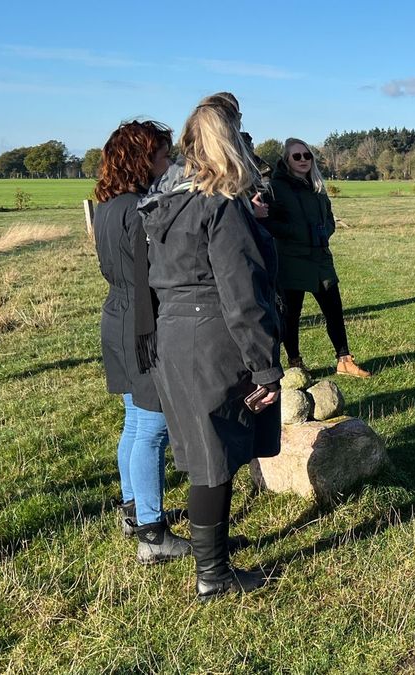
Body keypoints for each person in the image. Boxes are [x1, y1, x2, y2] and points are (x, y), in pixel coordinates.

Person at [138, 93, 282, 601]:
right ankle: (213, 574)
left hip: (173, 334)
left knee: (205, 454)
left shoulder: (164, 200)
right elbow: (241, 292)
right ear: (230, 141)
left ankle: (211, 563)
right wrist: (265, 366)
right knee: (214, 458)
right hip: (212, 335)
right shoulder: (220, 204)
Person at [91, 120, 191, 564]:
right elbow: (156, 269)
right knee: (153, 427)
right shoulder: (139, 209)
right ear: (141, 159)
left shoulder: (107, 206)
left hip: (116, 316)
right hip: (142, 322)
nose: (168, 164)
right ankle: (152, 533)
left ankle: (134, 511)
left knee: (134, 421)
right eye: (163, 156)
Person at [262, 138, 370, 377]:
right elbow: (268, 221)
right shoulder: (276, 188)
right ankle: (295, 363)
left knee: (334, 309)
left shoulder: (317, 186)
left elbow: (328, 217)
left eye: (307, 155)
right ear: (286, 160)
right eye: (297, 156)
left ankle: (344, 360)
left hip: (320, 257)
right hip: (291, 259)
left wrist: (326, 231)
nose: (303, 160)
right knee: (292, 314)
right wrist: (296, 232)